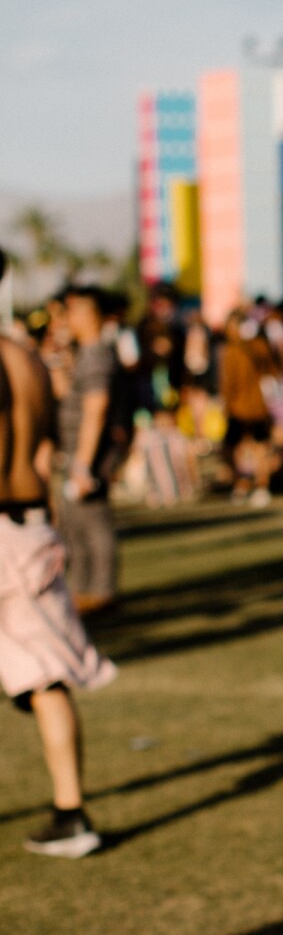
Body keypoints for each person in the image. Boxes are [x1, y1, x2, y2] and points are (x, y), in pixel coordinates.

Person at [0, 252, 115, 856]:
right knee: (45, 679)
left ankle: (71, 815)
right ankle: (69, 811)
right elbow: (40, 451)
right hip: (30, 526)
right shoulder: (24, 356)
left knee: (41, 679)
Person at [57, 284, 121, 612]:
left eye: (72, 311)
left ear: (89, 315)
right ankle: (83, 588)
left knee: (92, 522)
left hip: (88, 456)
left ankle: (100, 590)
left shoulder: (96, 354)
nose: (67, 319)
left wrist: (82, 464)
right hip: (76, 452)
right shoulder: (85, 353)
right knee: (74, 523)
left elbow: (95, 412)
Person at [219, 310, 278, 507]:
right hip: (260, 406)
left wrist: (226, 406)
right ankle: (260, 486)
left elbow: (230, 384)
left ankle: (243, 484)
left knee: (235, 449)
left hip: (240, 408)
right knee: (259, 448)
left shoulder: (232, 351)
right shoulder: (260, 346)